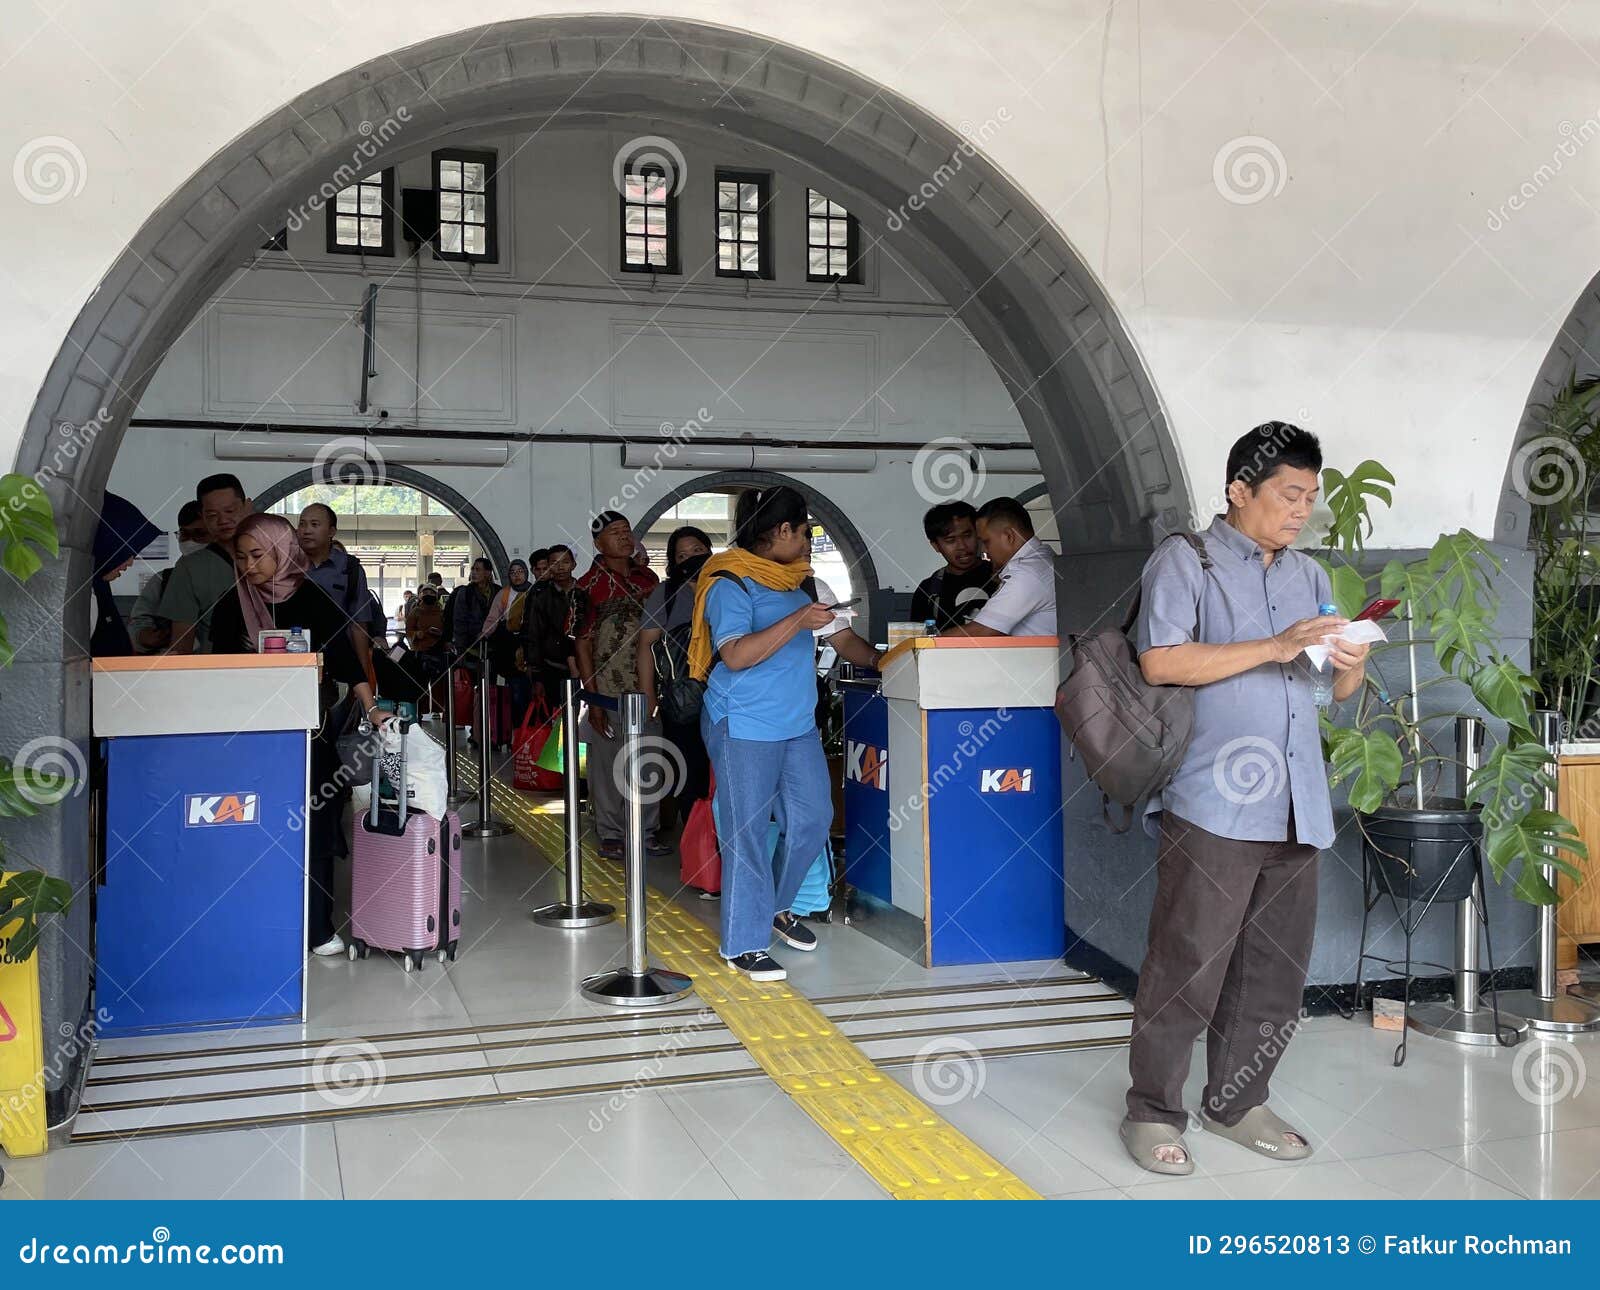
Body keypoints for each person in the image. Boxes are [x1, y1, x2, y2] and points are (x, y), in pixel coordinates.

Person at [1119, 422, 1368, 1177]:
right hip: (1214, 803)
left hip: (1299, 804)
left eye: (1311, 498)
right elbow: (1160, 662)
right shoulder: (1184, 561)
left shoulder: (1312, 576)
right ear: (1238, 490)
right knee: (1187, 961)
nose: (1301, 511)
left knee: (1273, 969)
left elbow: (1332, 692)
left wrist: (1350, 662)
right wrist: (1275, 644)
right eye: (1288, 495)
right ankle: (1153, 1111)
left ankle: (1236, 1101)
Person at [208, 513, 390, 957]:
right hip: (252, 735)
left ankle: (317, 928)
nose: (250, 565)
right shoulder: (232, 604)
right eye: (242, 556)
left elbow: (347, 661)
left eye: (259, 555)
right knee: (258, 823)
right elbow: (214, 667)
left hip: (311, 731)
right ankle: (261, 920)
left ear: (282, 552)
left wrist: (372, 708)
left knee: (317, 825)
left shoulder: (313, 598)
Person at [685, 486, 836, 982]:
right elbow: (735, 655)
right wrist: (797, 622)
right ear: (783, 531)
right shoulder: (731, 581)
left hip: (797, 725)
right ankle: (743, 944)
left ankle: (774, 905)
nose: (809, 541)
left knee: (813, 818)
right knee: (746, 832)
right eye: (806, 530)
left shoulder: (800, 583)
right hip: (743, 724)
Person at [575, 511, 667, 859]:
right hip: (609, 690)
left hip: (649, 686)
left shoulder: (650, 580)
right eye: (615, 533)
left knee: (651, 759)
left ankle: (646, 830)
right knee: (609, 762)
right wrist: (593, 699)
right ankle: (611, 831)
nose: (625, 538)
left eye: (627, 531)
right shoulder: (587, 587)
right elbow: (582, 643)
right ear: (598, 543)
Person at [637, 526, 715, 816]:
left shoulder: (727, 586)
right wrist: (649, 696)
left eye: (697, 551)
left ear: (709, 550)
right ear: (673, 562)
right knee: (689, 773)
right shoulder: (666, 593)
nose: (691, 559)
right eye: (682, 555)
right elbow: (645, 645)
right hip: (683, 700)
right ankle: (697, 846)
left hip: (730, 697)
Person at [158, 473, 251, 653]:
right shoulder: (189, 568)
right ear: (202, 516)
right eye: (212, 515)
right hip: (217, 672)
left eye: (230, 511)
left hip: (278, 667)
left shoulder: (277, 556)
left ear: (248, 506)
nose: (223, 520)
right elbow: (181, 645)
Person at [941, 496, 1056, 638]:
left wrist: (928, 643)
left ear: (1009, 536)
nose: (984, 550)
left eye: (986, 541)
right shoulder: (1042, 559)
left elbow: (982, 632)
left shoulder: (1026, 574)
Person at [297, 503, 376, 685]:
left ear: (332, 531)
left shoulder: (350, 569)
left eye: (314, 525)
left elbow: (358, 625)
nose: (306, 530)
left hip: (338, 664)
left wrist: (362, 676)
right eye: (302, 524)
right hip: (295, 660)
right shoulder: (285, 566)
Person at [129, 500, 208, 654]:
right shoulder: (162, 580)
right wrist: (144, 636)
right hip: (172, 668)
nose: (190, 541)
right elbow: (137, 622)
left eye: (199, 534)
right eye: (185, 534)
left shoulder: (230, 576)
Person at [88, 492, 162, 657]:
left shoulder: (98, 591)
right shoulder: (85, 598)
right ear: (107, 544)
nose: (130, 563)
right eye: (127, 552)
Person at [909, 501, 995, 632]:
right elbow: (921, 644)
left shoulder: (1003, 577)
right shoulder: (929, 590)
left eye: (967, 535)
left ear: (978, 535)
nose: (962, 546)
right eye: (950, 540)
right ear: (935, 546)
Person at [522, 543, 585, 713]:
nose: (560, 567)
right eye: (555, 563)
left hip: (585, 666)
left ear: (574, 564)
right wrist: (536, 675)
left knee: (581, 718)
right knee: (554, 718)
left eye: (565, 562)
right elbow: (534, 635)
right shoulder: (541, 597)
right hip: (551, 667)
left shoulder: (585, 592)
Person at [450, 557, 502, 748]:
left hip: (492, 650)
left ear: (488, 573)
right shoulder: (465, 593)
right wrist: (461, 650)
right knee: (474, 692)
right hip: (471, 650)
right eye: (473, 569)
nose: (474, 572)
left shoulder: (498, 592)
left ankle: (489, 731)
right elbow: (459, 621)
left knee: (490, 692)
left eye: (478, 569)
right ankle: (477, 731)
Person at [489, 558, 534, 736]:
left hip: (530, 647)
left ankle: (531, 729)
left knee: (530, 690)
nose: (517, 576)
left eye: (520, 572)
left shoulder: (534, 591)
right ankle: (518, 730)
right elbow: (493, 620)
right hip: (509, 648)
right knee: (515, 692)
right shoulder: (503, 594)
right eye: (513, 572)